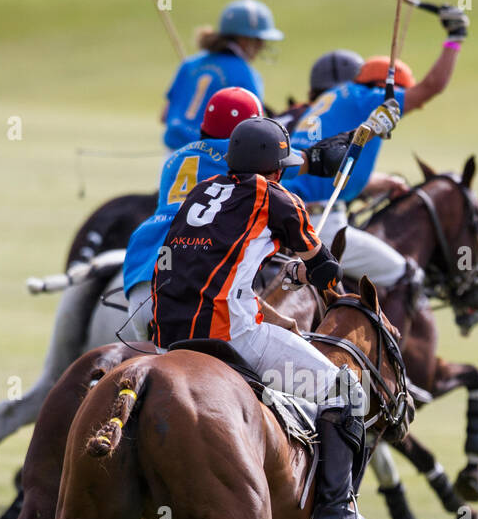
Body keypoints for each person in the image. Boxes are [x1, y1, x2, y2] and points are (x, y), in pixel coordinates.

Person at [149, 116, 400, 519]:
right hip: (228, 336)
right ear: (275, 168)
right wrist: (317, 275)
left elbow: (226, 257)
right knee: (347, 392)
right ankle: (338, 511)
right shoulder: (275, 197)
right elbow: (326, 267)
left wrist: (292, 270)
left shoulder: (201, 193)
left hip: (166, 337)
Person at [124, 87, 362, 340]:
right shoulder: (235, 161)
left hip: (140, 278)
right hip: (188, 279)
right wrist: (324, 155)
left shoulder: (178, 157)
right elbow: (290, 162)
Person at [284, 4, 470, 293]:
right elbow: (433, 86)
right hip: (318, 224)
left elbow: (323, 168)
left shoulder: (337, 97)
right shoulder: (372, 100)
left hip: (285, 211)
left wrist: (378, 183)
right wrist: (454, 37)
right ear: (386, 88)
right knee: (406, 276)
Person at [162, 0, 283, 151]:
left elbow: (164, 115)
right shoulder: (246, 74)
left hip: (173, 158)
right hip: (213, 159)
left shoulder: (189, 65)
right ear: (244, 40)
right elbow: (252, 129)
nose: (262, 46)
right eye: (259, 40)